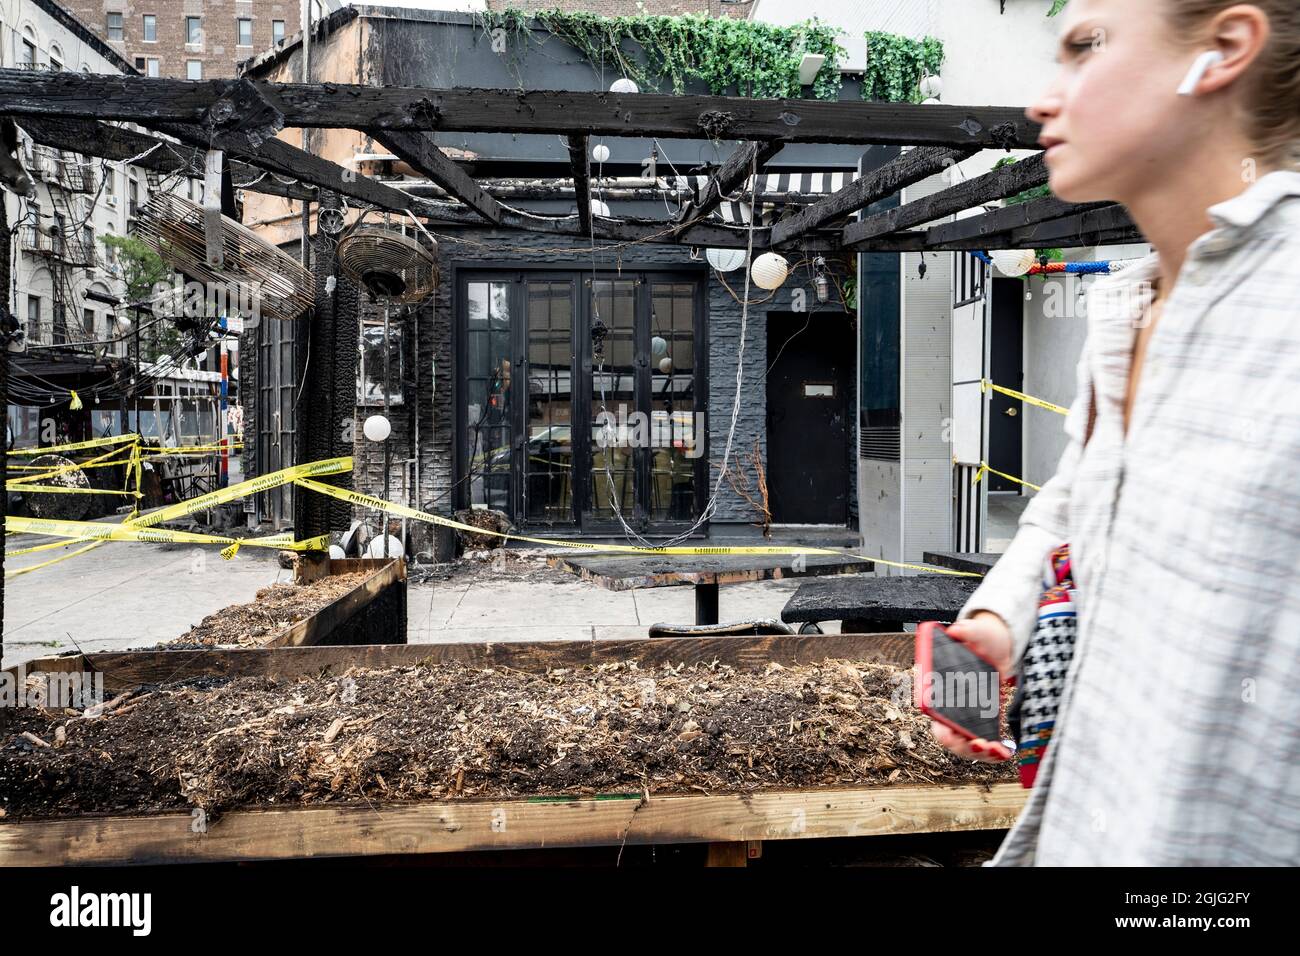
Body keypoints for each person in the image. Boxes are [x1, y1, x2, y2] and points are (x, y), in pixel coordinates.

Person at [931, 0, 1300, 865]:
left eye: (1083, 49)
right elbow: (1081, 492)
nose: (1043, 101)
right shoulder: (1127, 306)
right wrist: (1001, 615)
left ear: (1222, 49)